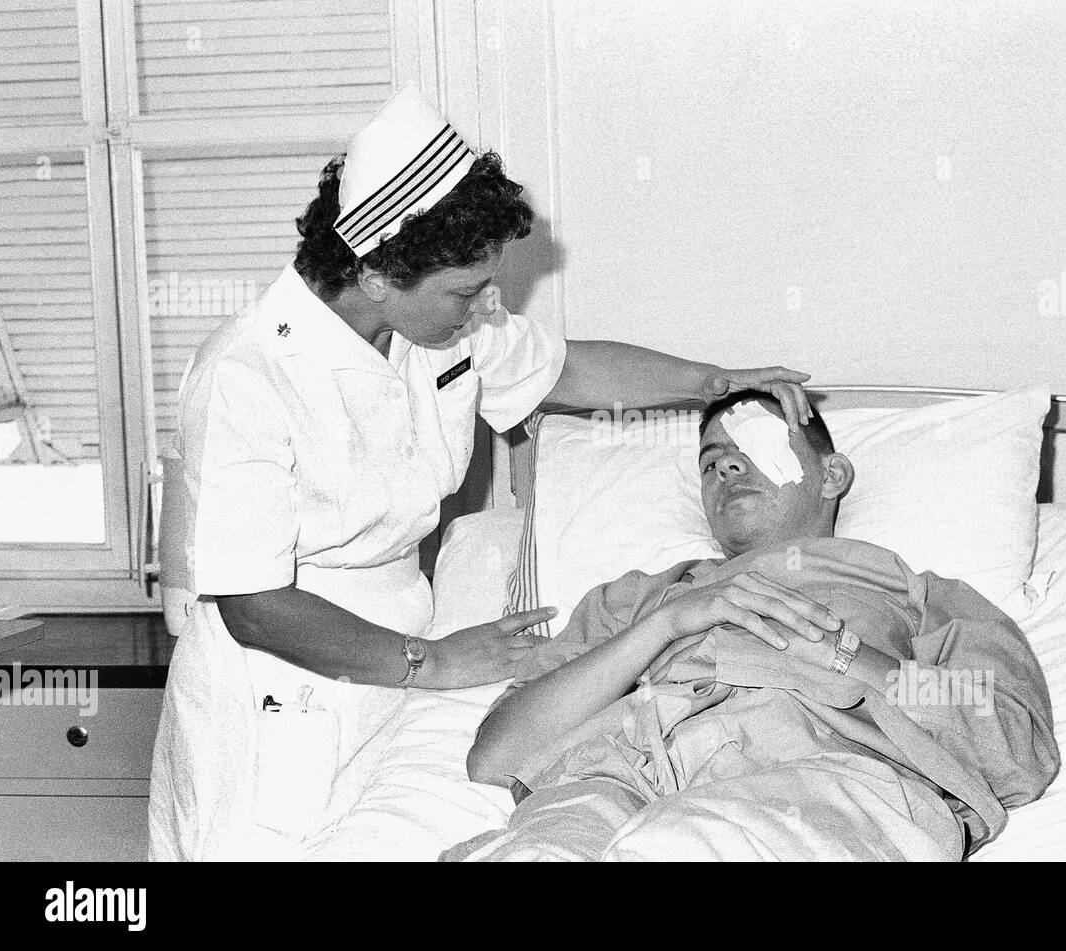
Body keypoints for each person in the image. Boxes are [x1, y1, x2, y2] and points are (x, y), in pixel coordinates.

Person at [147, 85, 814, 861]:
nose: (483, 308)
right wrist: (435, 662)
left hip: (398, 658)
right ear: (376, 275)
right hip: (272, 698)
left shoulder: (434, 331)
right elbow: (254, 605)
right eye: (465, 292)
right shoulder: (247, 373)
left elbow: (569, 369)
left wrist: (717, 382)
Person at [451, 390, 1061, 861]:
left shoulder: (917, 593)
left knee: (686, 846)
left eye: (752, 447)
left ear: (833, 476)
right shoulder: (637, 600)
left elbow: (1013, 745)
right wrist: (663, 628)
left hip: (826, 773)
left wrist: (849, 656)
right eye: (711, 462)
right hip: (618, 774)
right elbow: (497, 755)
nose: (726, 470)